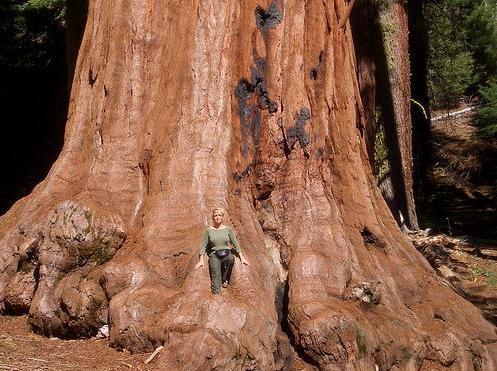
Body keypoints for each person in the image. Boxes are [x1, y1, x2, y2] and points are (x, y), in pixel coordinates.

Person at [195, 208, 249, 294]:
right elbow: (203, 245)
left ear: (222, 217)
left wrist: (242, 258)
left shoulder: (228, 229)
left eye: (219, 215)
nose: (217, 217)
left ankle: (225, 279)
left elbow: (235, 243)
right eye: (215, 215)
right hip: (214, 255)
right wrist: (201, 260)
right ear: (213, 218)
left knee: (231, 258)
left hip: (226, 253)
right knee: (215, 274)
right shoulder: (209, 230)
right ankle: (216, 294)